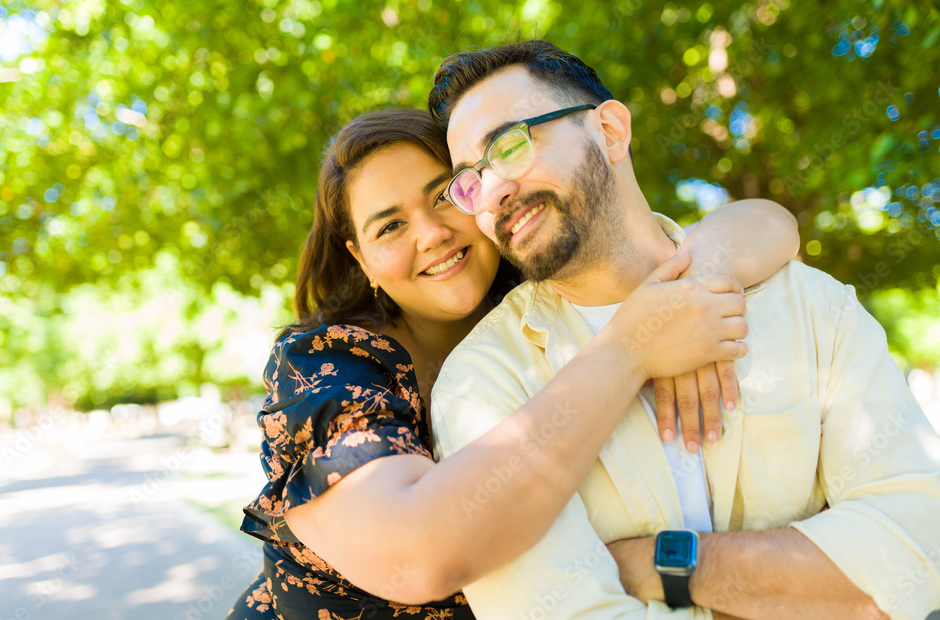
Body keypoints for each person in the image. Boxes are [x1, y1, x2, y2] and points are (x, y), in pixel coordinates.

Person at [425, 40, 940, 620]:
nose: (492, 193)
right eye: (469, 182)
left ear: (611, 131)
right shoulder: (481, 385)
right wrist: (810, 581)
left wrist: (659, 567)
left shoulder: (808, 305)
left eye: (510, 145)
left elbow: (920, 547)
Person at [226, 108, 800, 619]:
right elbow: (422, 555)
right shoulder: (328, 366)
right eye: (391, 226)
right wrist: (630, 349)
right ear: (362, 259)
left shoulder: (540, 297)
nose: (431, 234)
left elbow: (766, 221)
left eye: (443, 196)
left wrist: (690, 288)